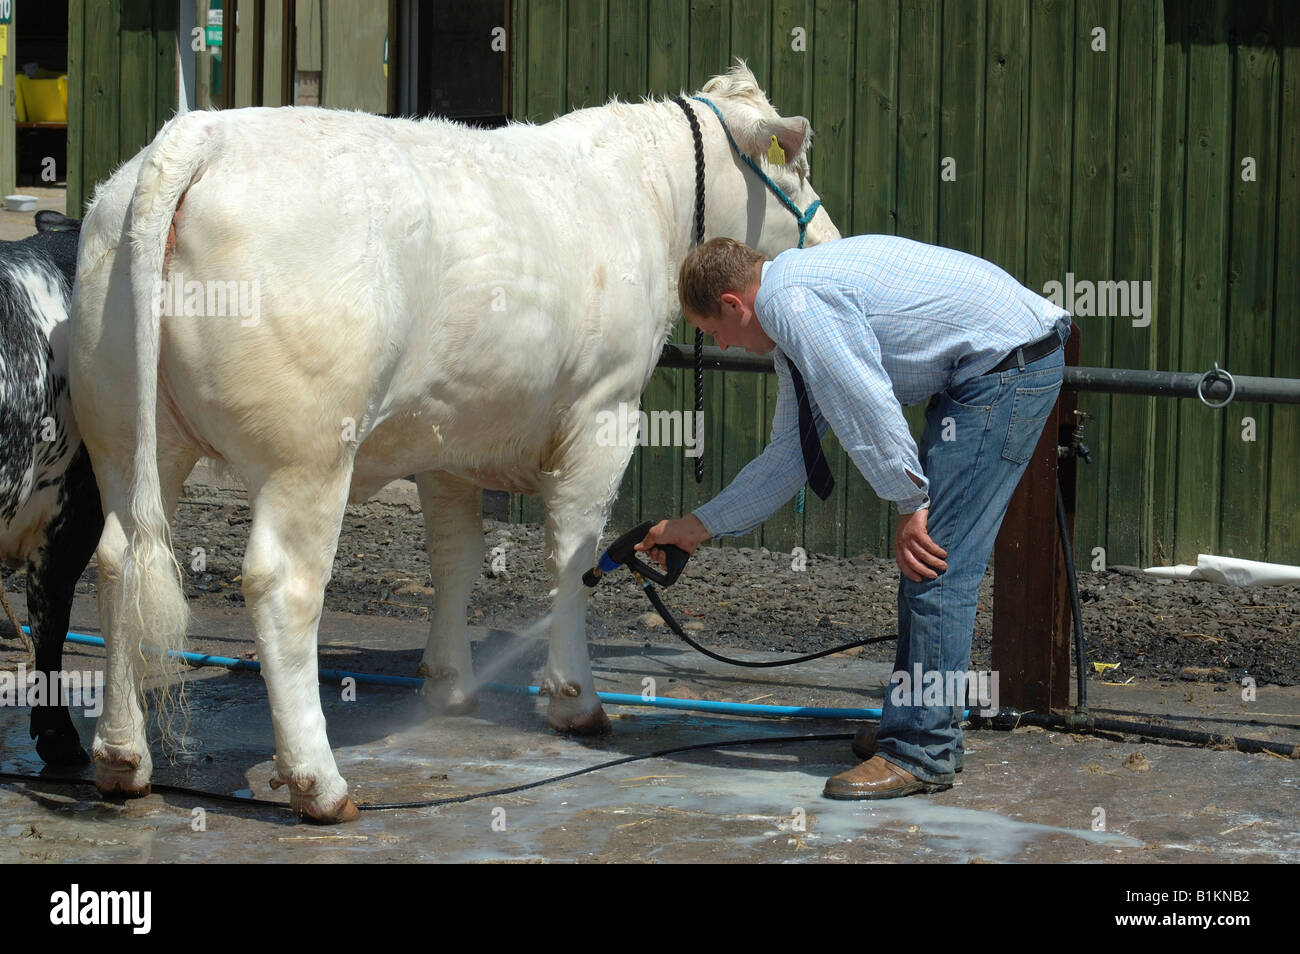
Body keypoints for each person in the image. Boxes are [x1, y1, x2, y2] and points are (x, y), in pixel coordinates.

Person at [635, 235, 1070, 799]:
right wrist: (695, 527)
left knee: (934, 564)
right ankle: (918, 723)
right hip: (991, 364)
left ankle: (921, 750)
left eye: (715, 331)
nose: (726, 345)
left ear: (733, 305)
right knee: (929, 567)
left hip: (1002, 369)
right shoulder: (792, 304)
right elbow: (790, 455)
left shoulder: (795, 304)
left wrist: (911, 502)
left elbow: (864, 401)